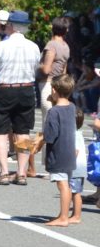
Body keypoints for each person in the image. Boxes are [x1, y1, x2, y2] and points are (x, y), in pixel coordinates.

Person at [0, 10, 41, 186]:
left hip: (4, 89)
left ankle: (3, 171)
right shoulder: (34, 47)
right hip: (26, 89)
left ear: (10, 25)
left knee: (0, 131)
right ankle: (22, 172)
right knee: (23, 131)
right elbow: (35, 69)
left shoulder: (0, 47)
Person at [30, 17, 72, 177]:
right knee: (55, 126)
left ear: (53, 28)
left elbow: (46, 69)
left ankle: (45, 164)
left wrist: (36, 65)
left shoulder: (51, 45)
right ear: (65, 30)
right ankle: (52, 163)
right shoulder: (66, 47)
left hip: (47, 85)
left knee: (48, 127)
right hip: (58, 86)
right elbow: (64, 71)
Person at [43, 74, 81, 226]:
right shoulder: (72, 107)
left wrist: (42, 138)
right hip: (69, 152)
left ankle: (64, 217)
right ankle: (62, 214)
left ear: (53, 90)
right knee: (66, 183)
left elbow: (51, 135)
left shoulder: (54, 112)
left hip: (59, 152)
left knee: (62, 185)